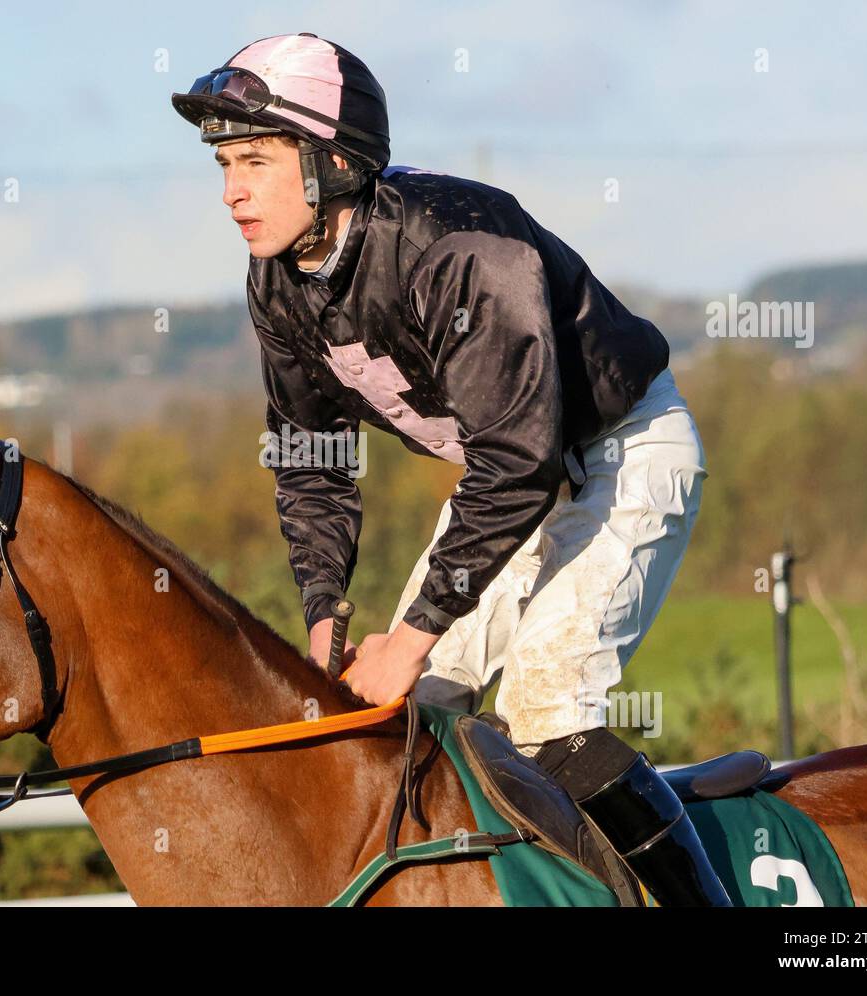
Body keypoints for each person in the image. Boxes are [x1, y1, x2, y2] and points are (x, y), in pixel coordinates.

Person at [171, 32, 732, 907]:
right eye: (223, 165)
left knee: (548, 709)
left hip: (619, 453)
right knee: (415, 713)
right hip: (509, 487)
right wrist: (326, 616)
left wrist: (415, 630)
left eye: (253, 160)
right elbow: (313, 460)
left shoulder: (461, 248)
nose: (232, 190)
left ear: (328, 161)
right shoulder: (276, 279)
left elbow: (516, 459)